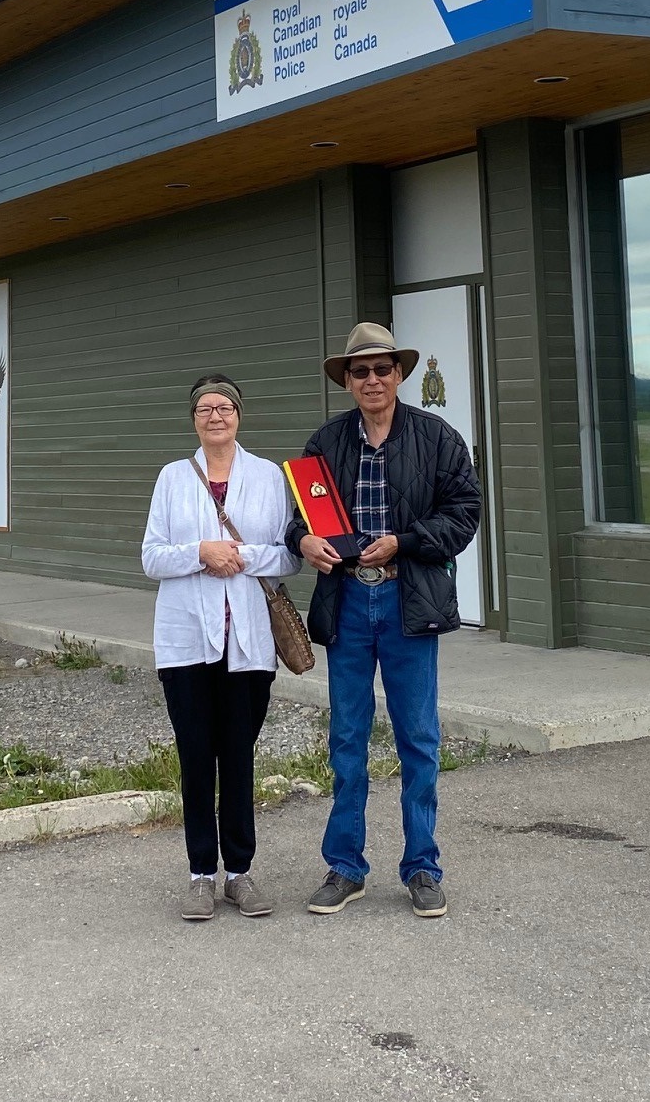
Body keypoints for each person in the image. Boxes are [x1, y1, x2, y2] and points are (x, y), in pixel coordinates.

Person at [288, 322, 480, 919]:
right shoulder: (324, 444)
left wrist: (404, 541)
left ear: (399, 374)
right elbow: (294, 520)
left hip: (407, 603)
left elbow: (465, 515)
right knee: (347, 738)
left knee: (418, 738)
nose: (372, 379)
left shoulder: (438, 438)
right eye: (360, 371)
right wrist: (305, 543)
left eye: (382, 368)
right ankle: (346, 867)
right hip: (347, 603)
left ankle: (422, 867)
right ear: (347, 380)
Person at [141, 374, 299, 922]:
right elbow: (151, 557)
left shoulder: (267, 477)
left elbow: (289, 556)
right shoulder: (171, 478)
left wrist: (241, 555)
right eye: (205, 408)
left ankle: (241, 873)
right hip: (186, 642)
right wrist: (201, 551)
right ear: (194, 419)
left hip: (247, 642)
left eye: (225, 406)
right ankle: (200, 875)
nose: (216, 415)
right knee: (195, 755)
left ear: (239, 416)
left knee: (237, 754)